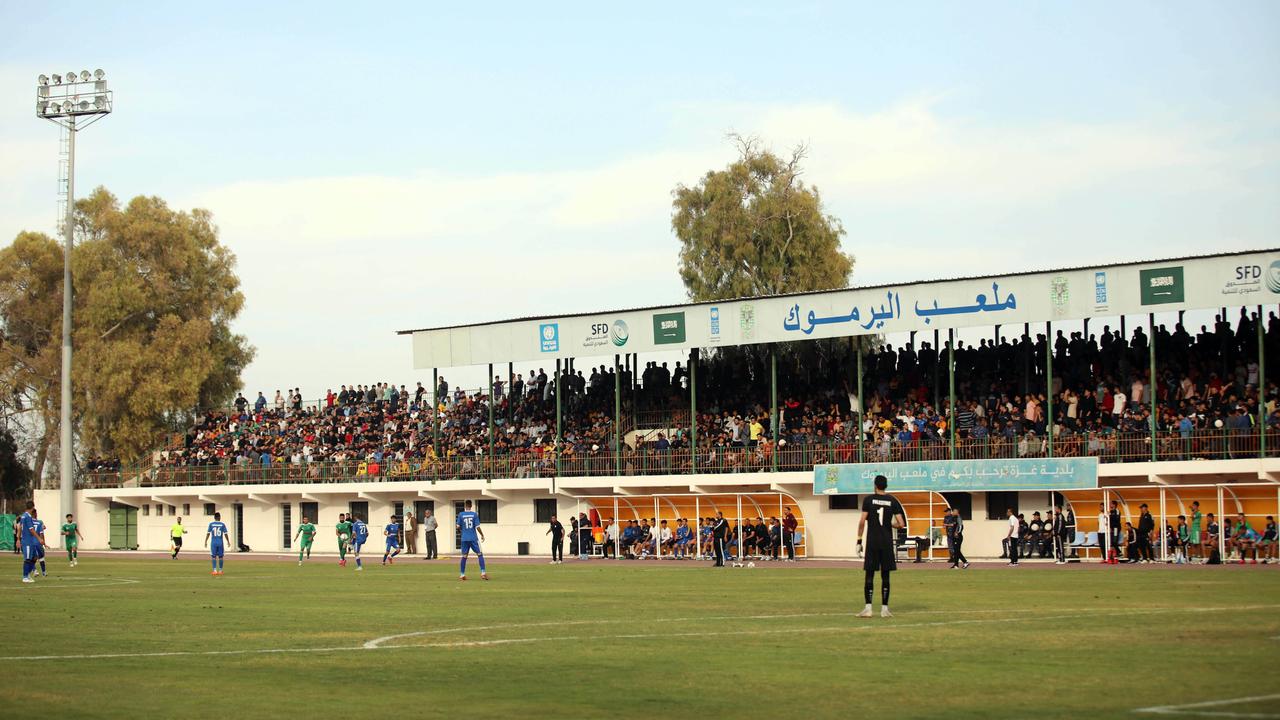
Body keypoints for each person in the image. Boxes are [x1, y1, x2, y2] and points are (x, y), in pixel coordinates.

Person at [856, 475, 907, 618]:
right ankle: (884, 609)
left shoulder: (868, 500)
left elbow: (862, 522)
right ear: (886, 486)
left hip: (872, 541)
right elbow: (901, 524)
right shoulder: (893, 500)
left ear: (875, 485)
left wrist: (859, 540)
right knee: (886, 575)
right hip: (886, 542)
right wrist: (890, 524)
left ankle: (868, 609)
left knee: (870, 574)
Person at [457, 499, 488, 580]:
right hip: (473, 538)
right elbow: (477, 527)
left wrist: (462, 533)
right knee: (479, 554)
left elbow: (458, 527)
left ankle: (462, 574)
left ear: (465, 506)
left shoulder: (460, 514)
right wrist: (482, 535)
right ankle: (483, 573)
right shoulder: (474, 514)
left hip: (464, 539)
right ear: (471, 506)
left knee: (464, 556)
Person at [18, 502, 44, 583]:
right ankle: (25, 577)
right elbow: (31, 530)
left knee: (34, 557)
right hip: (27, 541)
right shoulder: (27, 517)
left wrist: (18, 539)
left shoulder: (23, 516)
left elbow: (19, 527)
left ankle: (28, 574)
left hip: (29, 541)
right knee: (28, 559)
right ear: (32, 507)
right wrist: (39, 538)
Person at [205, 511, 229, 576]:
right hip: (220, 542)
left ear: (214, 517)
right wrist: (228, 541)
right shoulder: (222, 524)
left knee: (213, 557)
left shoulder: (211, 524)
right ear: (219, 517)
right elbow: (225, 534)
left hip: (214, 543)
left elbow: (208, 533)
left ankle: (215, 571)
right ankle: (220, 571)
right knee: (221, 557)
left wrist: (206, 541)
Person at [32, 509, 48, 577]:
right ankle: (44, 572)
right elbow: (42, 533)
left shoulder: (27, 522)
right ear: (35, 513)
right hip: (38, 542)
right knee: (41, 558)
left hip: (30, 542)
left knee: (31, 558)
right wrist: (43, 542)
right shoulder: (40, 522)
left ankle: (35, 571)